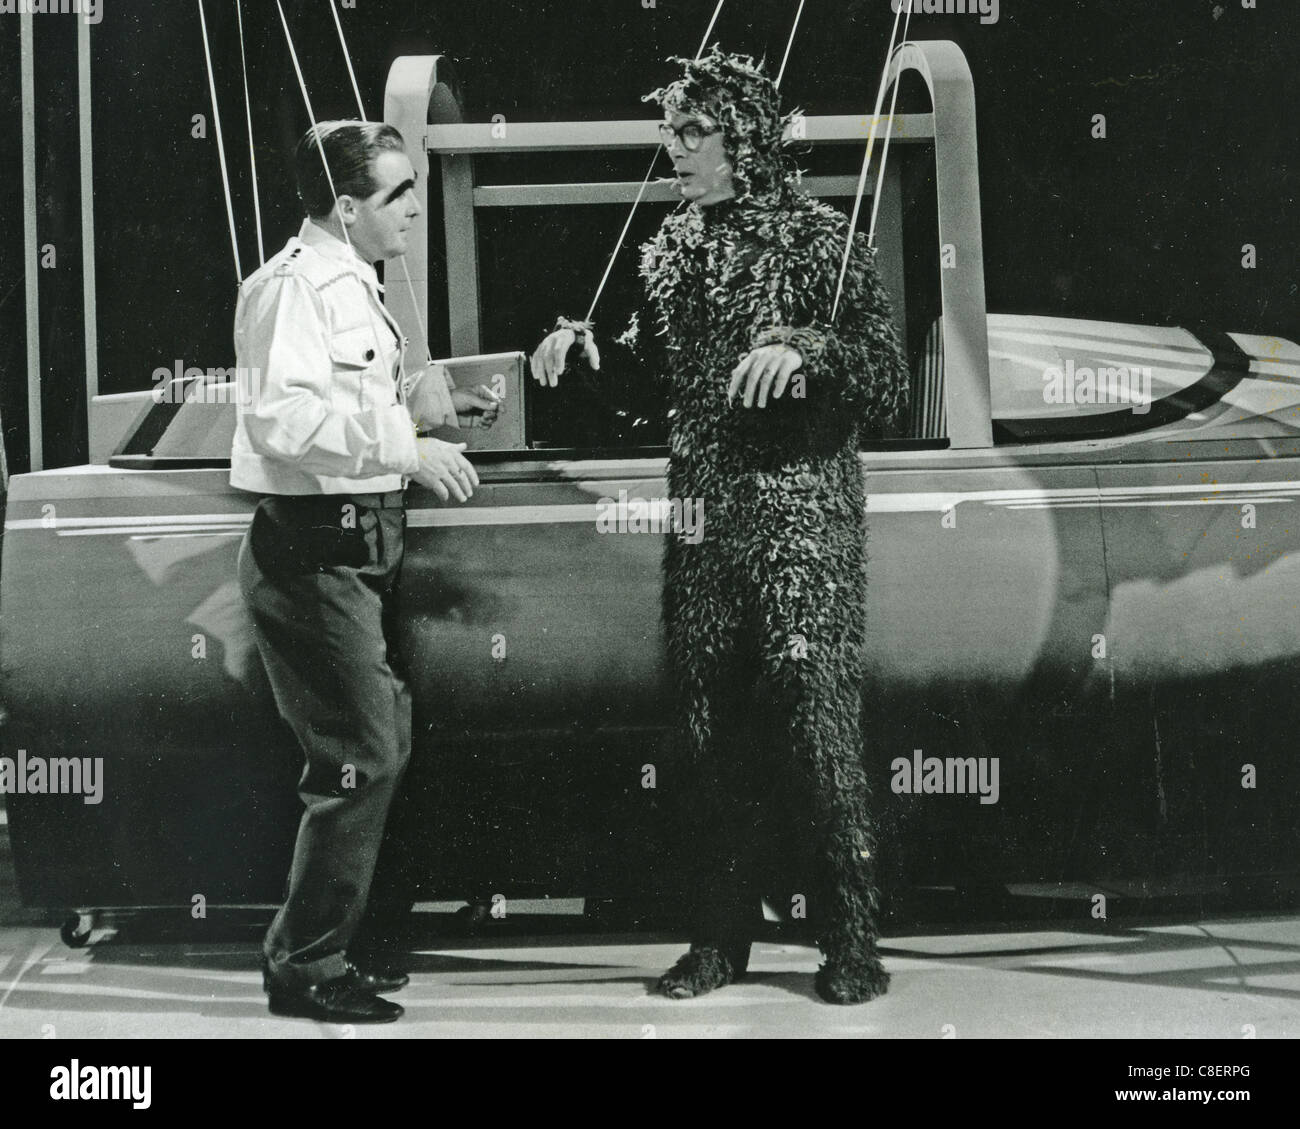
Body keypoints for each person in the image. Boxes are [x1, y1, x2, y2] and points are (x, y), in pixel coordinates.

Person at [532, 49, 909, 1004]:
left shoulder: (820, 239)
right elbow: (640, 389)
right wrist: (580, 356)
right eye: (672, 134)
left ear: (746, 144)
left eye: (692, 135)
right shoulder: (670, 249)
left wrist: (804, 348)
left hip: (801, 516)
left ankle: (852, 942)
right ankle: (718, 941)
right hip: (704, 519)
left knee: (815, 726)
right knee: (709, 737)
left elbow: (885, 373)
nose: (675, 152)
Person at [232, 120, 501, 1023]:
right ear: (347, 207)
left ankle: (347, 938)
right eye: (398, 194)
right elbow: (283, 424)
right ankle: (304, 965)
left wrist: (435, 402)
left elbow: (352, 400)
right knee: (361, 755)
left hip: (363, 546)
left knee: (382, 744)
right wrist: (406, 445)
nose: (416, 207)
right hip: (313, 552)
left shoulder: (354, 283)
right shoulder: (290, 289)